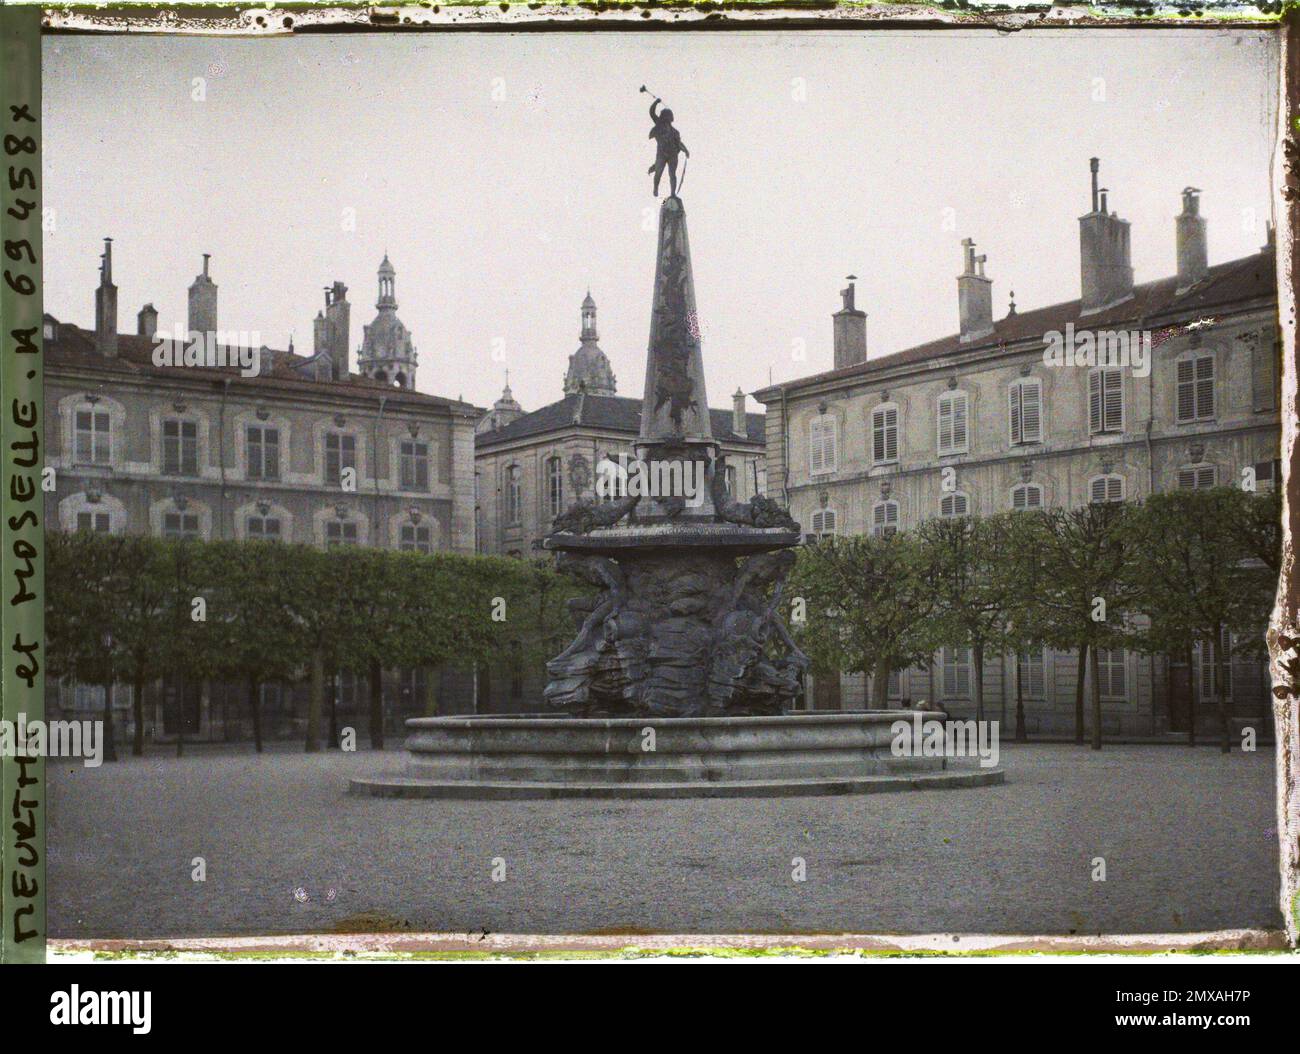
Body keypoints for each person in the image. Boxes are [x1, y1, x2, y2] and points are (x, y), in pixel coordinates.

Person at [648, 98, 689, 197]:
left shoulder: (675, 131)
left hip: (672, 154)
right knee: (658, 172)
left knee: (672, 174)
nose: (667, 118)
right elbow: (652, 112)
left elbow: (679, 143)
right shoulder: (659, 124)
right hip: (662, 153)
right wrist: (656, 102)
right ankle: (656, 188)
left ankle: (672, 193)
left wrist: (685, 150)